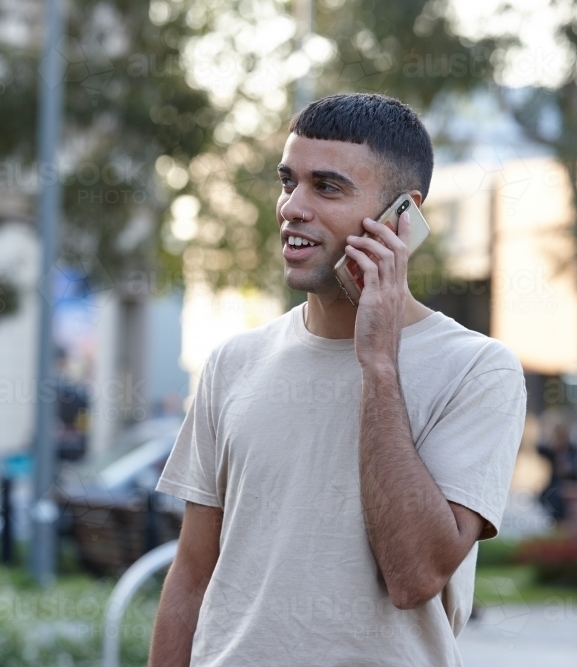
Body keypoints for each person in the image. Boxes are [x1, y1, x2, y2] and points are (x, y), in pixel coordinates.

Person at [149, 93, 527, 666]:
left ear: (403, 215)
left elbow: (415, 575)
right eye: (287, 182)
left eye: (326, 187)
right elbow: (192, 577)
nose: (292, 207)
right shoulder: (233, 362)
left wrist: (378, 363)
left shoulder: (477, 370)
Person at [536, 422, 577, 521]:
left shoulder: (572, 450)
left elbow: (576, 473)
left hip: (569, 488)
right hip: (553, 488)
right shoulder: (548, 451)